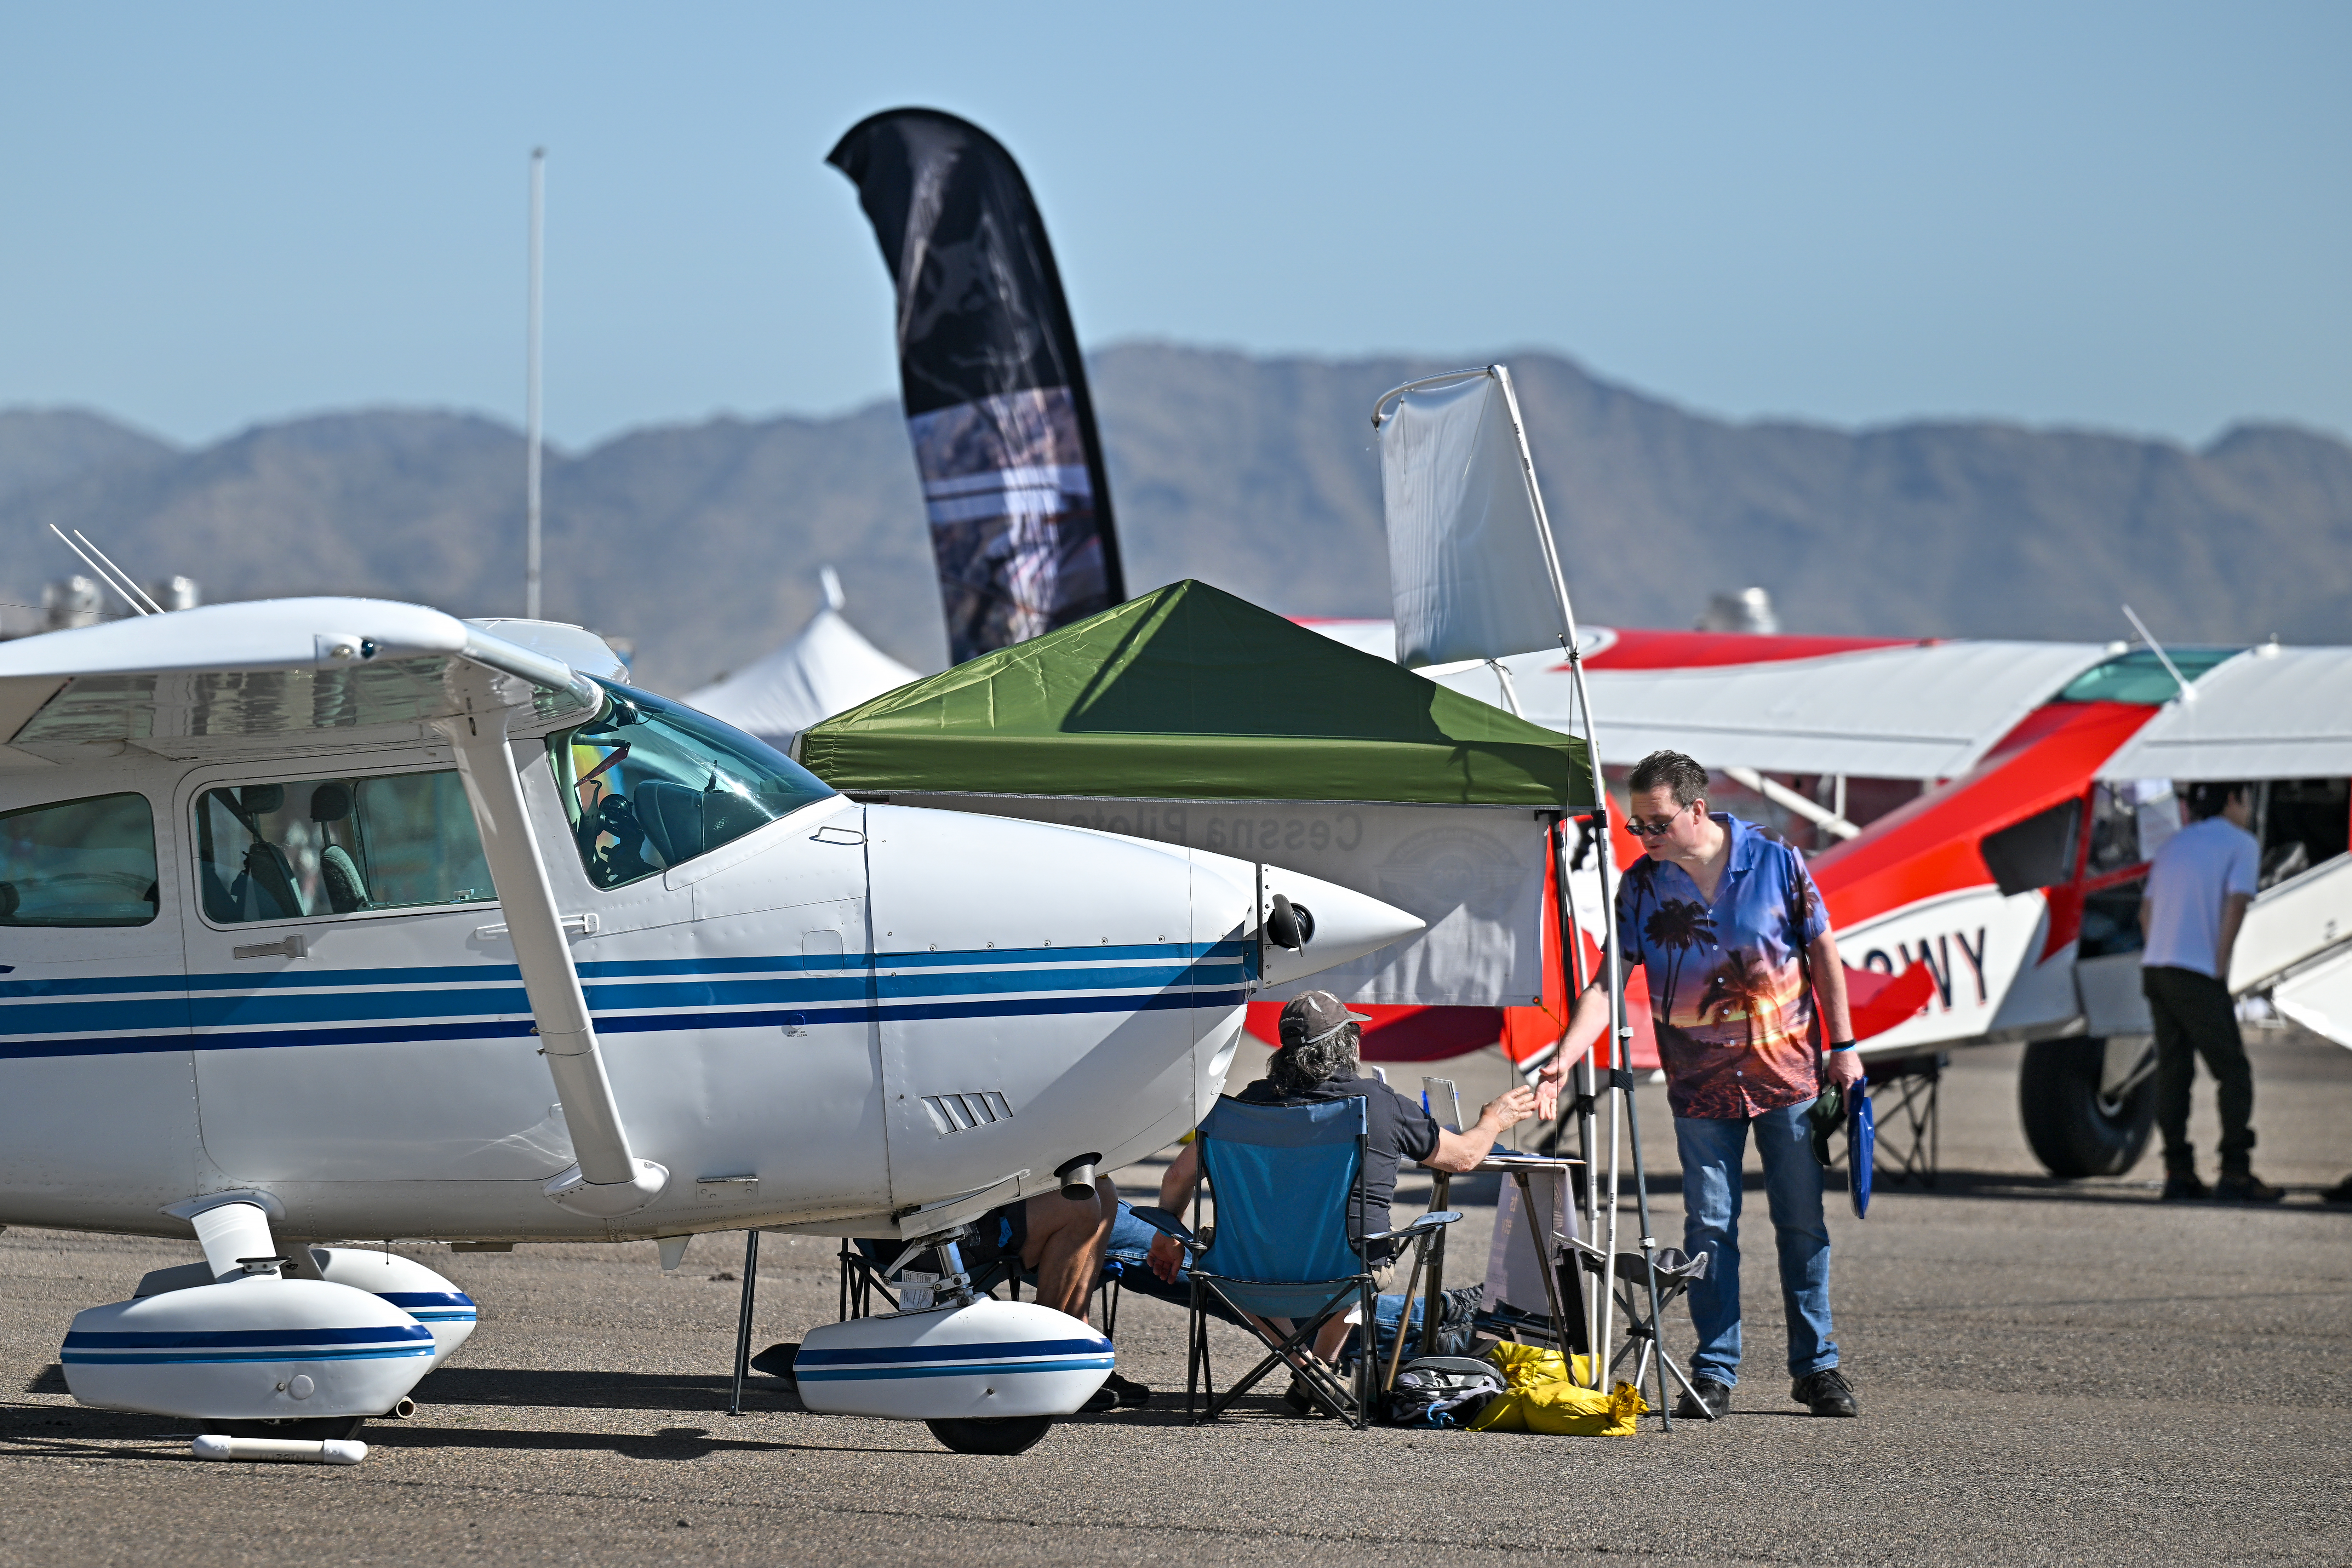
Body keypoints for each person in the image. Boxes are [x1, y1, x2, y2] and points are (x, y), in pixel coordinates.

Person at [1534, 750, 1862, 1420]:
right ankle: (1714, 1369)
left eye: (1655, 824)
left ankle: (1817, 1367)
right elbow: (1607, 983)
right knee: (1710, 1229)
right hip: (1700, 1089)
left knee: (1802, 1225)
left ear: (1696, 810)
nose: (1645, 838)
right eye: (1636, 828)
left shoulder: (1776, 863)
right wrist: (1566, 1055)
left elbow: (1823, 948)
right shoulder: (1643, 885)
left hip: (1788, 1079)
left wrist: (1847, 1049)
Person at [1149, 990, 1535, 1409]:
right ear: (1347, 1043)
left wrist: (1166, 1231)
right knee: (1364, 1254)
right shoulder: (1377, 1103)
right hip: (1348, 1267)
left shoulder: (1242, 1107)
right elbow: (1463, 1157)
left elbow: (1177, 1175)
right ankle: (1314, 1367)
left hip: (1246, 1270)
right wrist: (1493, 1120)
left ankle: (1306, 1367)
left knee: (1223, 1256)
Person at [2139, 780, 2281, 1203]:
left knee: (2174, 1071)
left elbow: (2146, 910)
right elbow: (2235, 905)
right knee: (2233, 1072)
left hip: (2157, 966)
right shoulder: (2242, 843)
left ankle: (2178, 1171)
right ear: (2234, 799)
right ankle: (2236, 1170)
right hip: (2197, 969)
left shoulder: (2174, 844)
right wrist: (2219, 965)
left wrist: (2156, 951)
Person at [952, 1176, 1155, 1409]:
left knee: (1100, 1186)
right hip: (949, 1228)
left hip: (982, 1204)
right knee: (1079, 1203)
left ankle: (1075, 1333)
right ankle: (1044, 1356)